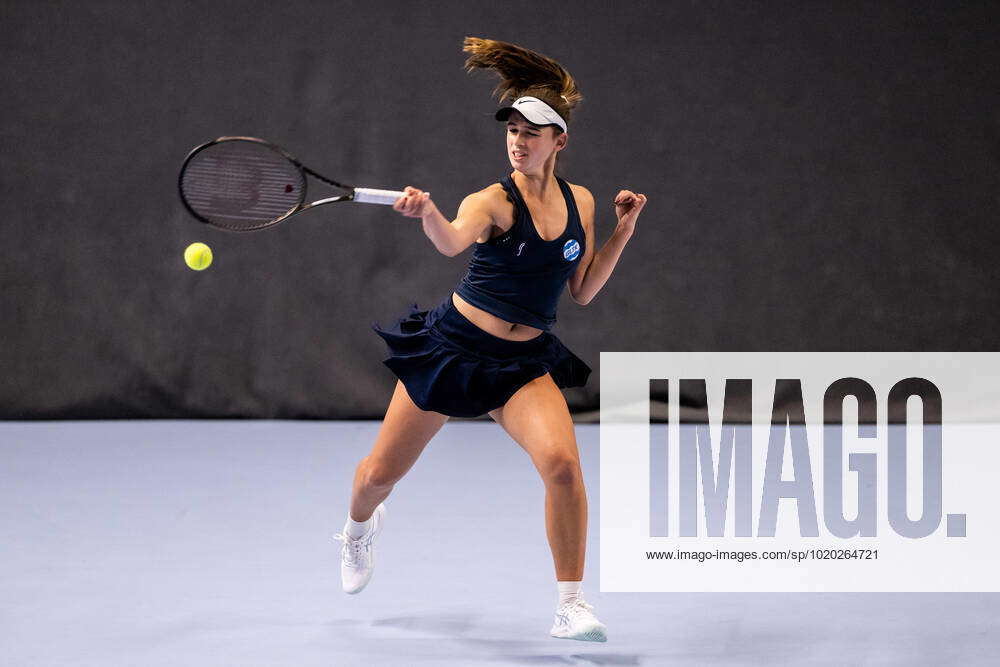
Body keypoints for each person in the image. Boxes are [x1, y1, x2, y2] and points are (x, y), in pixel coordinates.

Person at [333, 37, 646, 643]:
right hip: (454, 353)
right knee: (376, 476)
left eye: (534, 131)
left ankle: (571, 604)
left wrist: (623, 230)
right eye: (512, 129)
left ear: (560, 140)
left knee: (562, 465)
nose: (519, 140)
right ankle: (356, 532)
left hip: (522, 363)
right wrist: (426, 213)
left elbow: (581, 289)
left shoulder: (581, 202)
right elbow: (452, 241)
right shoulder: (490, 201)